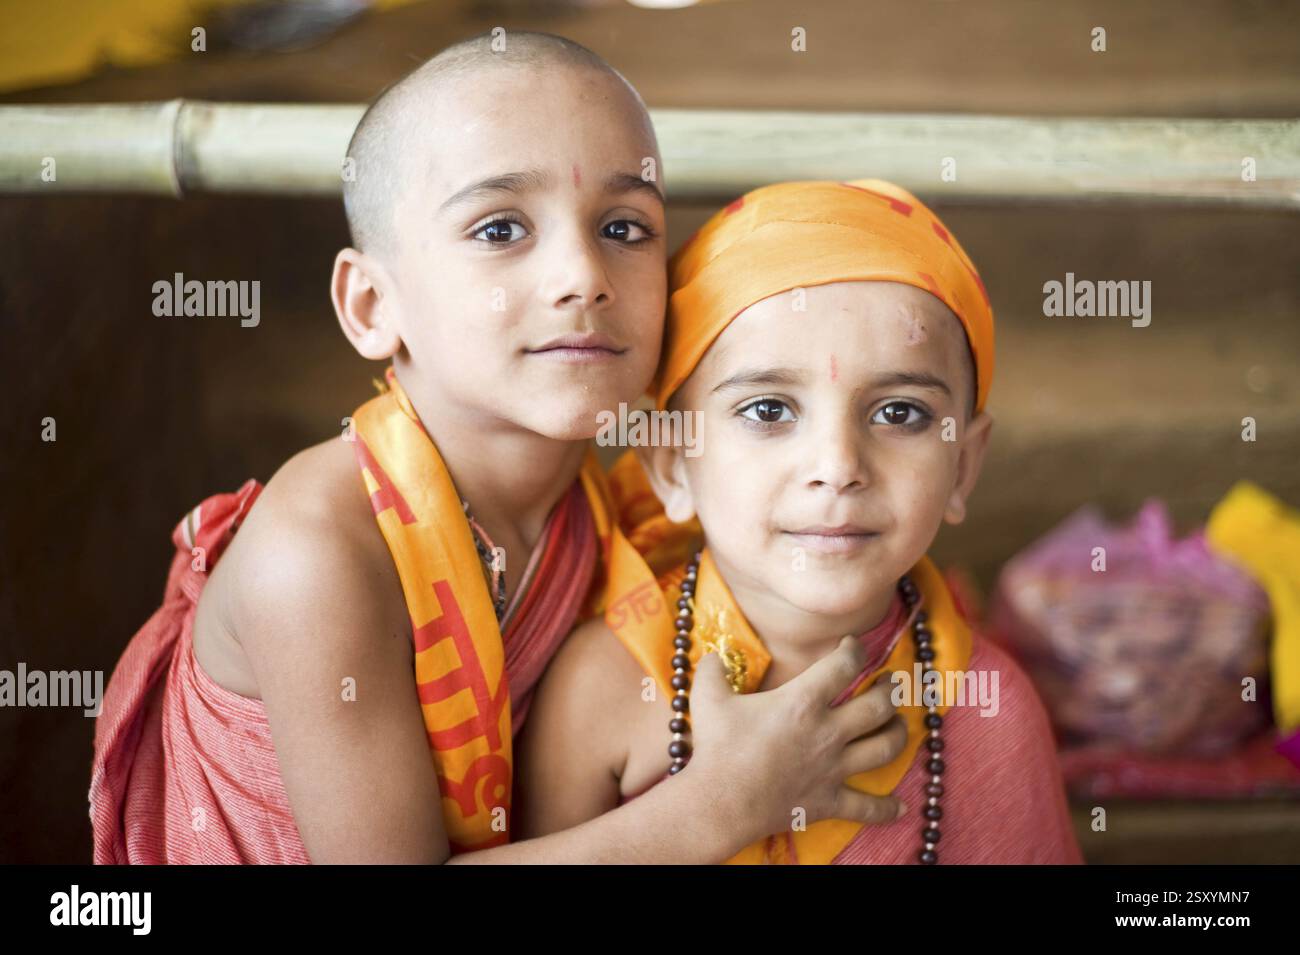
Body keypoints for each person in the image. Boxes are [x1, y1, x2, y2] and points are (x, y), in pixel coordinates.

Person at [91, 35, 910, 864]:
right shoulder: (319, 553)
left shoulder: (587, 506)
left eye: (624, 226)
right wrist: (724, 802)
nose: (582, 274)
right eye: (500, 227)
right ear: (373, 304)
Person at [518, 179, 1084, 864]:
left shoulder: (991, 710)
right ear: (671, 461)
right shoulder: (600, 689)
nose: (838, 465)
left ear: (962, 466)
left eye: (899, 412)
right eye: (768, 410)